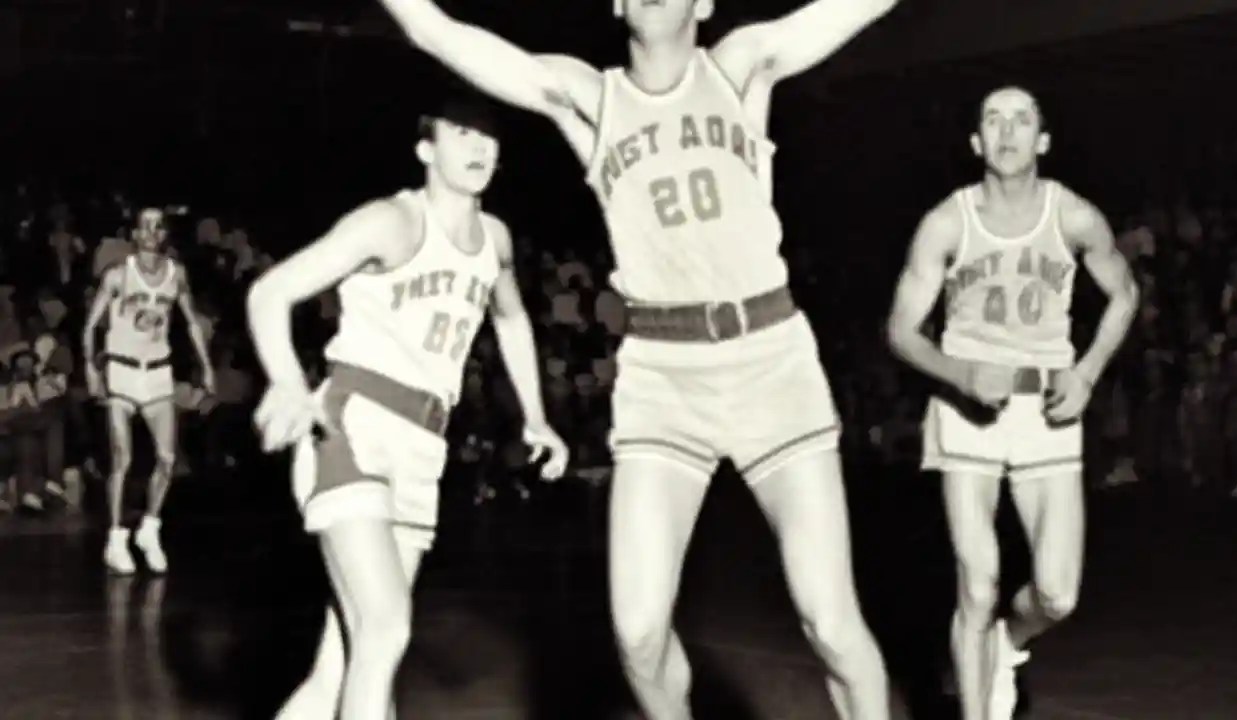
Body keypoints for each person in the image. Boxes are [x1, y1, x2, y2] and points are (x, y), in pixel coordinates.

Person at [373, 0, 899, 717]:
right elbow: (438, 32)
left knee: (832, 625)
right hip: (662, 375)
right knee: (639, 633)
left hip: (770, 362)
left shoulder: (740, 64)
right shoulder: (589, 95)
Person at [247, 100, 570, 720]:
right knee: (386, 631)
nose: (480, 147)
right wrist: (288, 381)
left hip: (424, 448)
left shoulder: (494, 239)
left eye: (490, 136)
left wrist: (536, 416)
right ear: (426, 149)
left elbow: (511, 317)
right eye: (462, 132)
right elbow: (270, 291)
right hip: (352, 427)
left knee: (342, 665)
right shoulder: (390, 222)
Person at [885, 86, 1138, 720]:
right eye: (992, 120)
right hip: (967, 412)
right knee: (977, 582)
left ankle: (1009, 639)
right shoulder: (947, 221)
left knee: (1057, 595)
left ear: (1043, 141)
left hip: (1047, 412)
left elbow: (1126, 292)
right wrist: (961, 374)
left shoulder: (1073, 215)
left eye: (1021, 119)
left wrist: (1086, 373)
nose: (1007, 131)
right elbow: (899, 329)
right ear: (976, 143)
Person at [83, 207, 215, 575]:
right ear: (134, 234)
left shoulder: (177, 275)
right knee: (122, 458)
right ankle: (115, 537)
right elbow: (90, 327)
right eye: (145, 225)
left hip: (158, 372)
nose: (151, 231)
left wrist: (205, 366)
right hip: (122, 371)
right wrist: (92, 369)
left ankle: (150, 529)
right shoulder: (117, 276)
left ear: (164, 235)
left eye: (158, 226)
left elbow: (190, 324)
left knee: (168, 458)